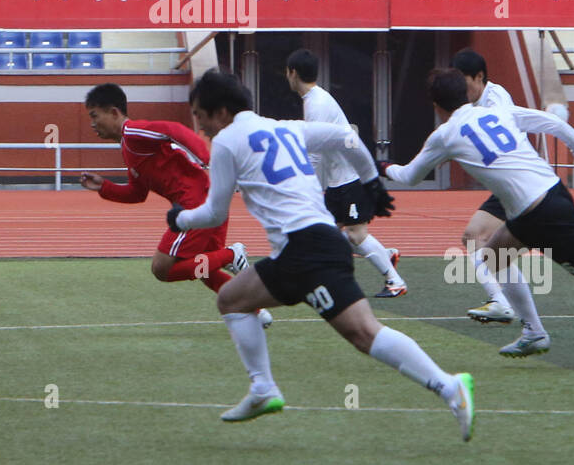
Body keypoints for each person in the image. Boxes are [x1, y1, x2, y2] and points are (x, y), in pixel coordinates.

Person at [169, 70, 475, 438]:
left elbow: (215, 213)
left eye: (200, 115)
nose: (199, 125)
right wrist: (371, 183)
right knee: (233, 299)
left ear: (220, 112)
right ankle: (263, 388)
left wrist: (180, 218)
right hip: (316, 243)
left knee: (364, 333)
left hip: (306, 250)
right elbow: (347, 138)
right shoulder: (287, 127)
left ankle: (447, 386)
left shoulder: (227, 142)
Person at [381, 69, 574, 368]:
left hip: (542, 215)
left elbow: (408, 177)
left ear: (436, 105)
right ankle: (533, 332)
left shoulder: (445, 135)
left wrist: (381, 167)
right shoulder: (498, 110)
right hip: (548, 199)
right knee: (493, 255)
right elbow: (549, 121)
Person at [449, 49, 574, 353]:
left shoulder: (496, 100)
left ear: (478, 78)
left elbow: (545, 125)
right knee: (491, 243)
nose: (459, 89)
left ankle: (505, 307)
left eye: (462, 81)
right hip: (512, 185)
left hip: (523, 183)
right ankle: (519, 315)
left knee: (481, 239)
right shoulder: (472, 102)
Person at [80, 83, 271, 324]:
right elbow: (137, 194)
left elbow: (174, 129)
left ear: (114, 112)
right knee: (204, 269)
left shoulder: (134, 132)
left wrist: (205, 157)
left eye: (94, 116)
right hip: (205, 198)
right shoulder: (128, 148)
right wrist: (104, 187)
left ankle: (232, 254)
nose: (92, 124)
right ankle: (256, 311)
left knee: (163, 268)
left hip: (196, 201)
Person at [284, 49, 407, 297]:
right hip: (338, 180)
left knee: (356, 234)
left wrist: (304, 186)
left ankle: (395, 281)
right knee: (323, 231)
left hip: (350, 179)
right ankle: (385, 256)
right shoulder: (314, 100)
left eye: (287, 73)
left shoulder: (316, 103)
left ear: (293, 73)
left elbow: (315, 153)